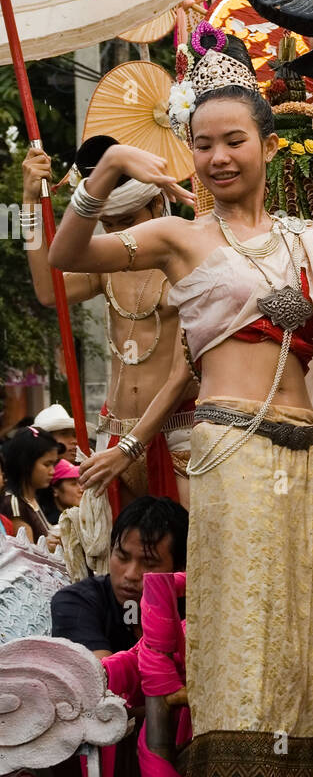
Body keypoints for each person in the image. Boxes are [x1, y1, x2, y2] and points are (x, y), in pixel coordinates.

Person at [48, 28, 313, 777]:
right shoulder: (179, 236)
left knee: (295, 628)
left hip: (305, 448)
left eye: (234, 141)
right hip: (231, 450)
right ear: (187, 153)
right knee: (236, 623)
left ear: (267, 144)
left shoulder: (305, 238)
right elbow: (67, 253)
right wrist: (110, 171)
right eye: (203, 144)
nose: (219, 157)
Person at [22, 139, 196, 514]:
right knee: (119, 560)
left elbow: (182, 376)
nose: (120, 235)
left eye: (129, 222)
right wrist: (30, 205)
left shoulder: (186, 262)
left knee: (182, 559)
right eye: (109, 224)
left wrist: (132, 445)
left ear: (157, 205)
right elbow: (46, 291)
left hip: (177, 433)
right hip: (113, 435)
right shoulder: (108, 265)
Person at [51, 496, 188, 658]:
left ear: (180, 569)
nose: (130, 574)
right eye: (122, 557)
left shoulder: (195, 608)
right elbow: (100, 677)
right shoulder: (77, 602)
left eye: (149, 563)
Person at [0, 426, 61, 549]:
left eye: (54, 464)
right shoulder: (14, 503)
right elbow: (26, 554)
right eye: (47, 464)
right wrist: (45, 547)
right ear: (26, 463)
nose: (52, 471)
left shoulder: (30, 498)